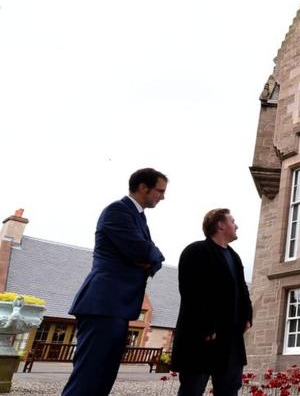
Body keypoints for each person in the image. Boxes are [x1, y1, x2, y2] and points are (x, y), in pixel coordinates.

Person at [62, 168, 168, 396]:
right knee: (88, 377)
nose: (163, 196)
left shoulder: (139, 217)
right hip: (103, 304)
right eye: (159, 191)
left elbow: (151, 256)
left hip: (118, 308)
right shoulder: (117, 211)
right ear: (143, 187)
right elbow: (142, 250)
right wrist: (149, 256)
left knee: (103, 378)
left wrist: (151, 258)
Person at [171, 208, 253, 396]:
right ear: (220, 225)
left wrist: (247, 316)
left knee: (229, 390)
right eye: (233, 221)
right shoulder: (195, 251)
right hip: (203, 338)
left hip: (231, 340)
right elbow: (191, 293)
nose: (236, 226)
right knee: (192, 390)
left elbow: (241, 289)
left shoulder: (234, 256)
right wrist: (206, 327)